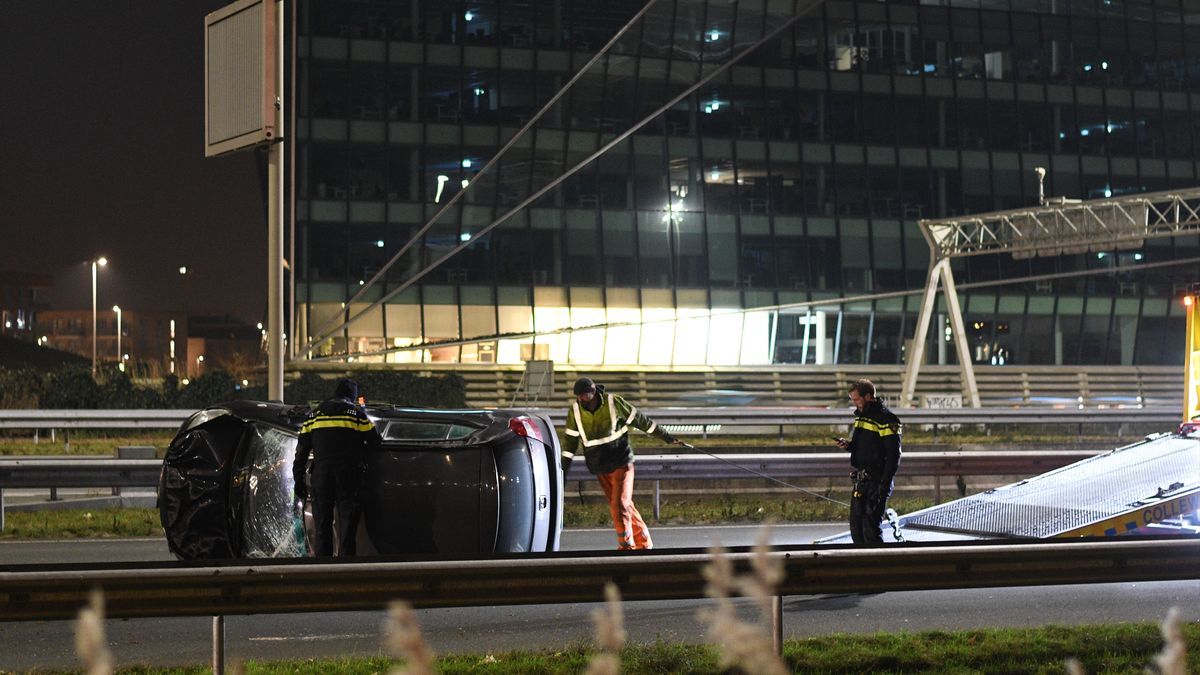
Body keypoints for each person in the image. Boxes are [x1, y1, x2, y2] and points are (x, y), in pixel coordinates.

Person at [562, 377, 679, 550]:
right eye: (578, 397)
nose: (581, 400)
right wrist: (564, 468)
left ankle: (626, 547)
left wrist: (667, 437)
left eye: (584, 396)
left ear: (593, 393)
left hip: (621, 462)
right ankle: (644, 542)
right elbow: (570, 442)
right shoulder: (575, 411)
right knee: (624, 505)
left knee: (620, 505)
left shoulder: (613, 402)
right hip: (600, 466)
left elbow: (641, 421)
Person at [292, 378, 381, 556]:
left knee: (322, 527)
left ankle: (322, 572)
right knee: (348, 528)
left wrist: (298, 480)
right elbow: (375, 441)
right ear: (351, 397)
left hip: (322, 476)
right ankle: (347, 573)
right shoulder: (356, 414)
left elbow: (301, 452)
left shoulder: (314, 415)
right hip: (348, 476)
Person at [834, 379, 902, 544]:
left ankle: (877, 566)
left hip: (877, 482)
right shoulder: (862, 417)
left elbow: (893, 456)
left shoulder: (888, 419)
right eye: (853, 400)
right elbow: (866, 448)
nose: (855, 403)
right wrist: (849, 446)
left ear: (869, 396)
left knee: (870, 531)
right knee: (856, 530)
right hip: (862, 481)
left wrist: (883, 486)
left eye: (857, 399)